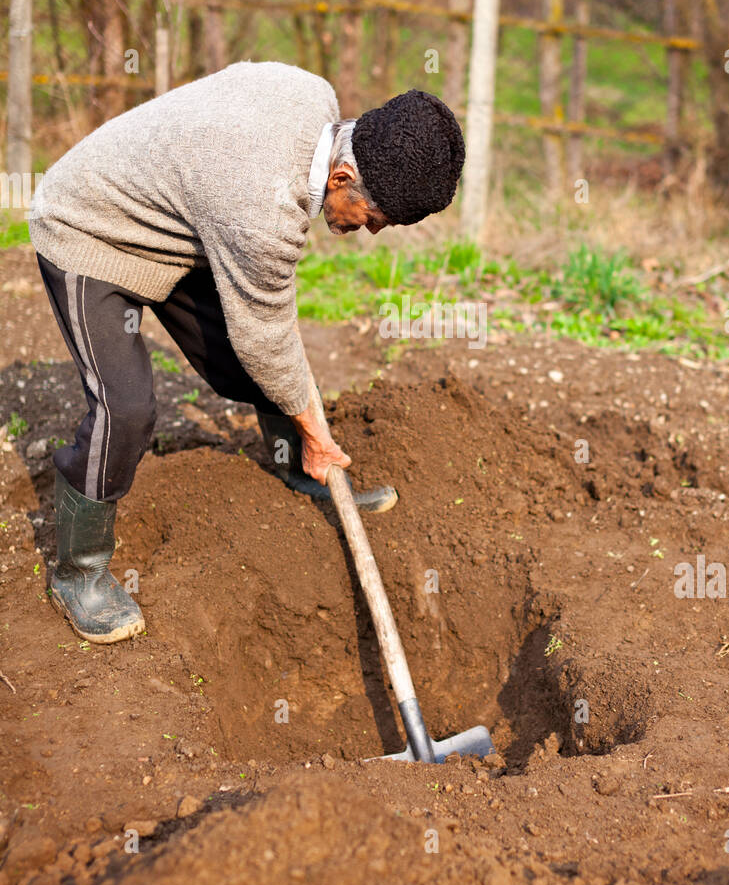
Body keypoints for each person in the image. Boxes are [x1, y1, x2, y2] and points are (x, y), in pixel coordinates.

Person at [28, 62, 465, 644]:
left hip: (185, 222)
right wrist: (316, 425)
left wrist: (303, 418)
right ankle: (78, 572)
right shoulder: (262, 210)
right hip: (89, 227)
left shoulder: (314, 95)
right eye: (375, 218)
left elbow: (263, 343)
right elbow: (266, 332)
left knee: (252, 366)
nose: (373, 232)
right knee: (126, 409)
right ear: (341, 176)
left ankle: (298, 469)